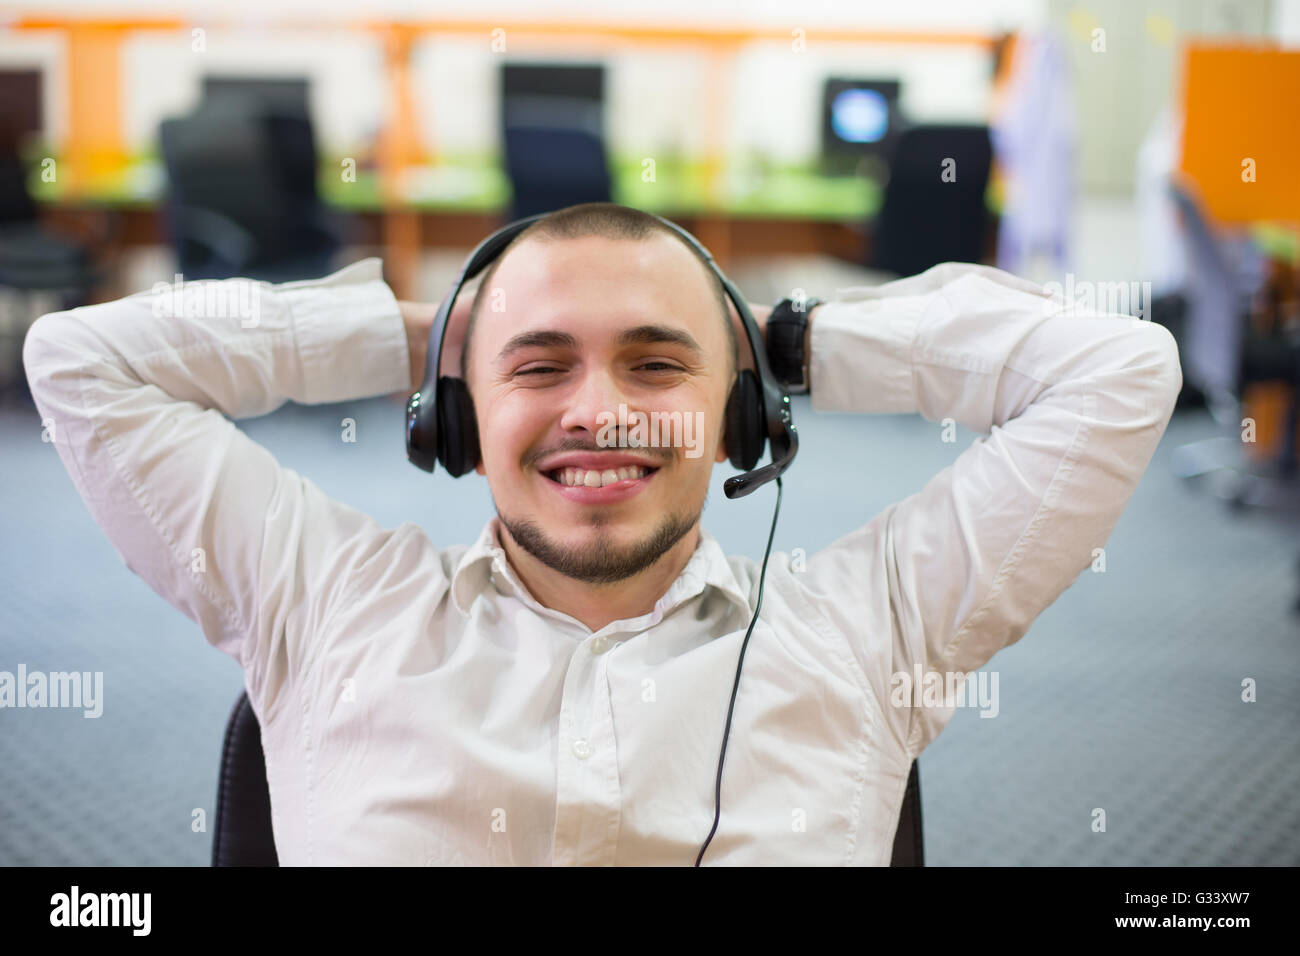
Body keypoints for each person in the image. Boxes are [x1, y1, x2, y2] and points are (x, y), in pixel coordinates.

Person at [22, 202, 1182, 865]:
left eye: (656, 361)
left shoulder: (869, 631)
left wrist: (779, 343)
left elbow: (1119, 367)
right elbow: (80, 361)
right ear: (459, 416)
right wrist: (423, 338)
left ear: (740, 418)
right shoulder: (323, 604)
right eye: (536, 367)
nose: (601, 409)